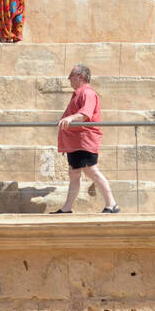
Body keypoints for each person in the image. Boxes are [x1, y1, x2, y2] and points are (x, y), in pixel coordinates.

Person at [53, 65, 120, 214]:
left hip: (84, 140)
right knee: (74, 173)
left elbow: (85, 114)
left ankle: (112, 204)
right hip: (76, 141)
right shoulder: (79, 93)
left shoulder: (87, 93)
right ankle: (67, 209)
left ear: (80, 76)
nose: (68, 79)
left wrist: (70, 118)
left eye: (71, 75)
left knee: (91, 170)